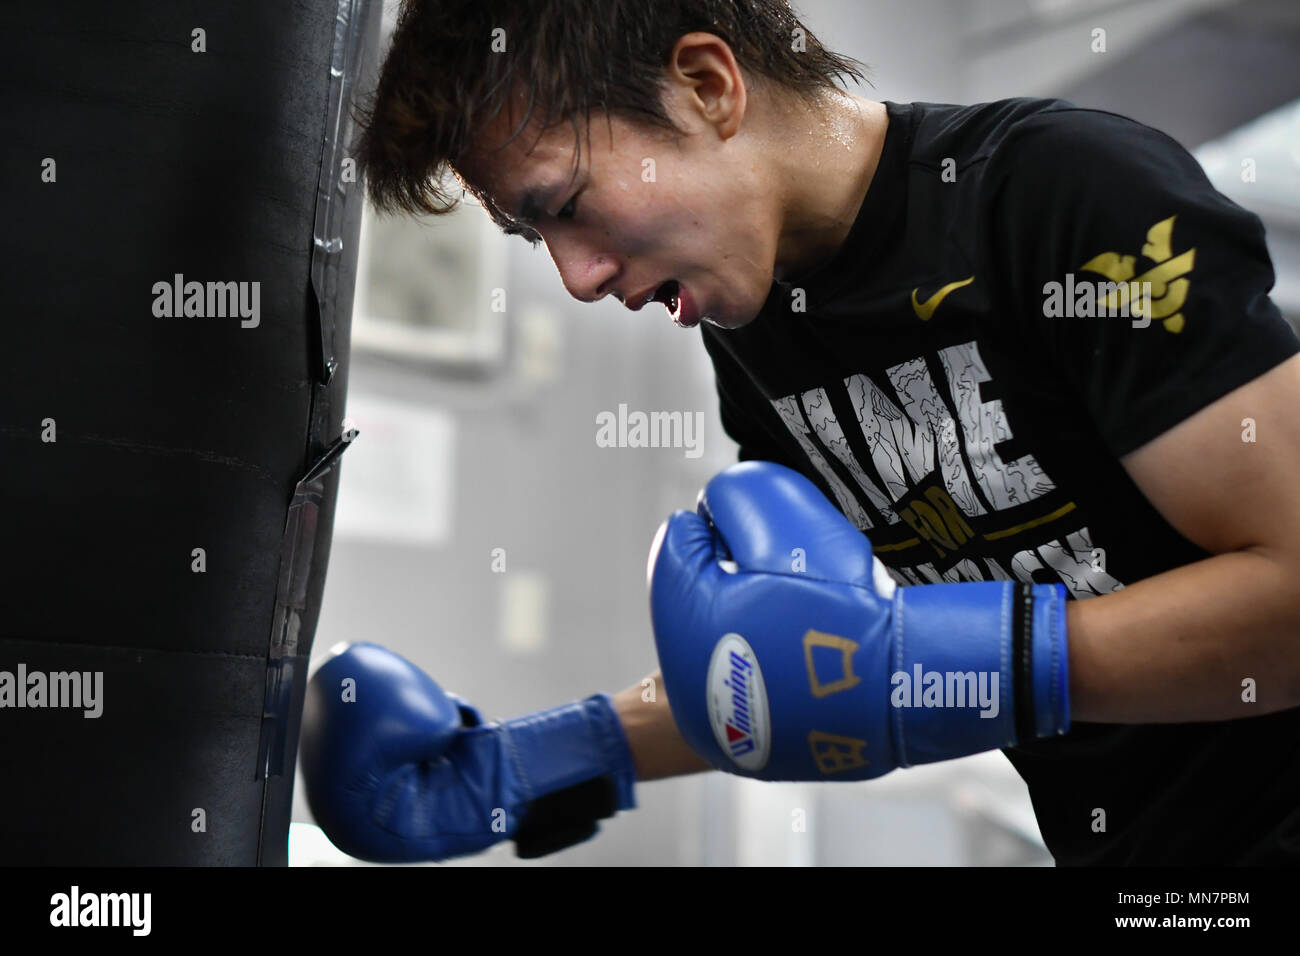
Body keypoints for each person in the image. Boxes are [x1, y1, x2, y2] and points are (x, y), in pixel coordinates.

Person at [299, 0, 1300, 865]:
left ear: (704, 84)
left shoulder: (1062, 200)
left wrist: (949, 670)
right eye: (535, 238)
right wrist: (525, 765)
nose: (577, 277)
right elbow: (804, 656)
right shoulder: (760, 332)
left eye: (565, 206)